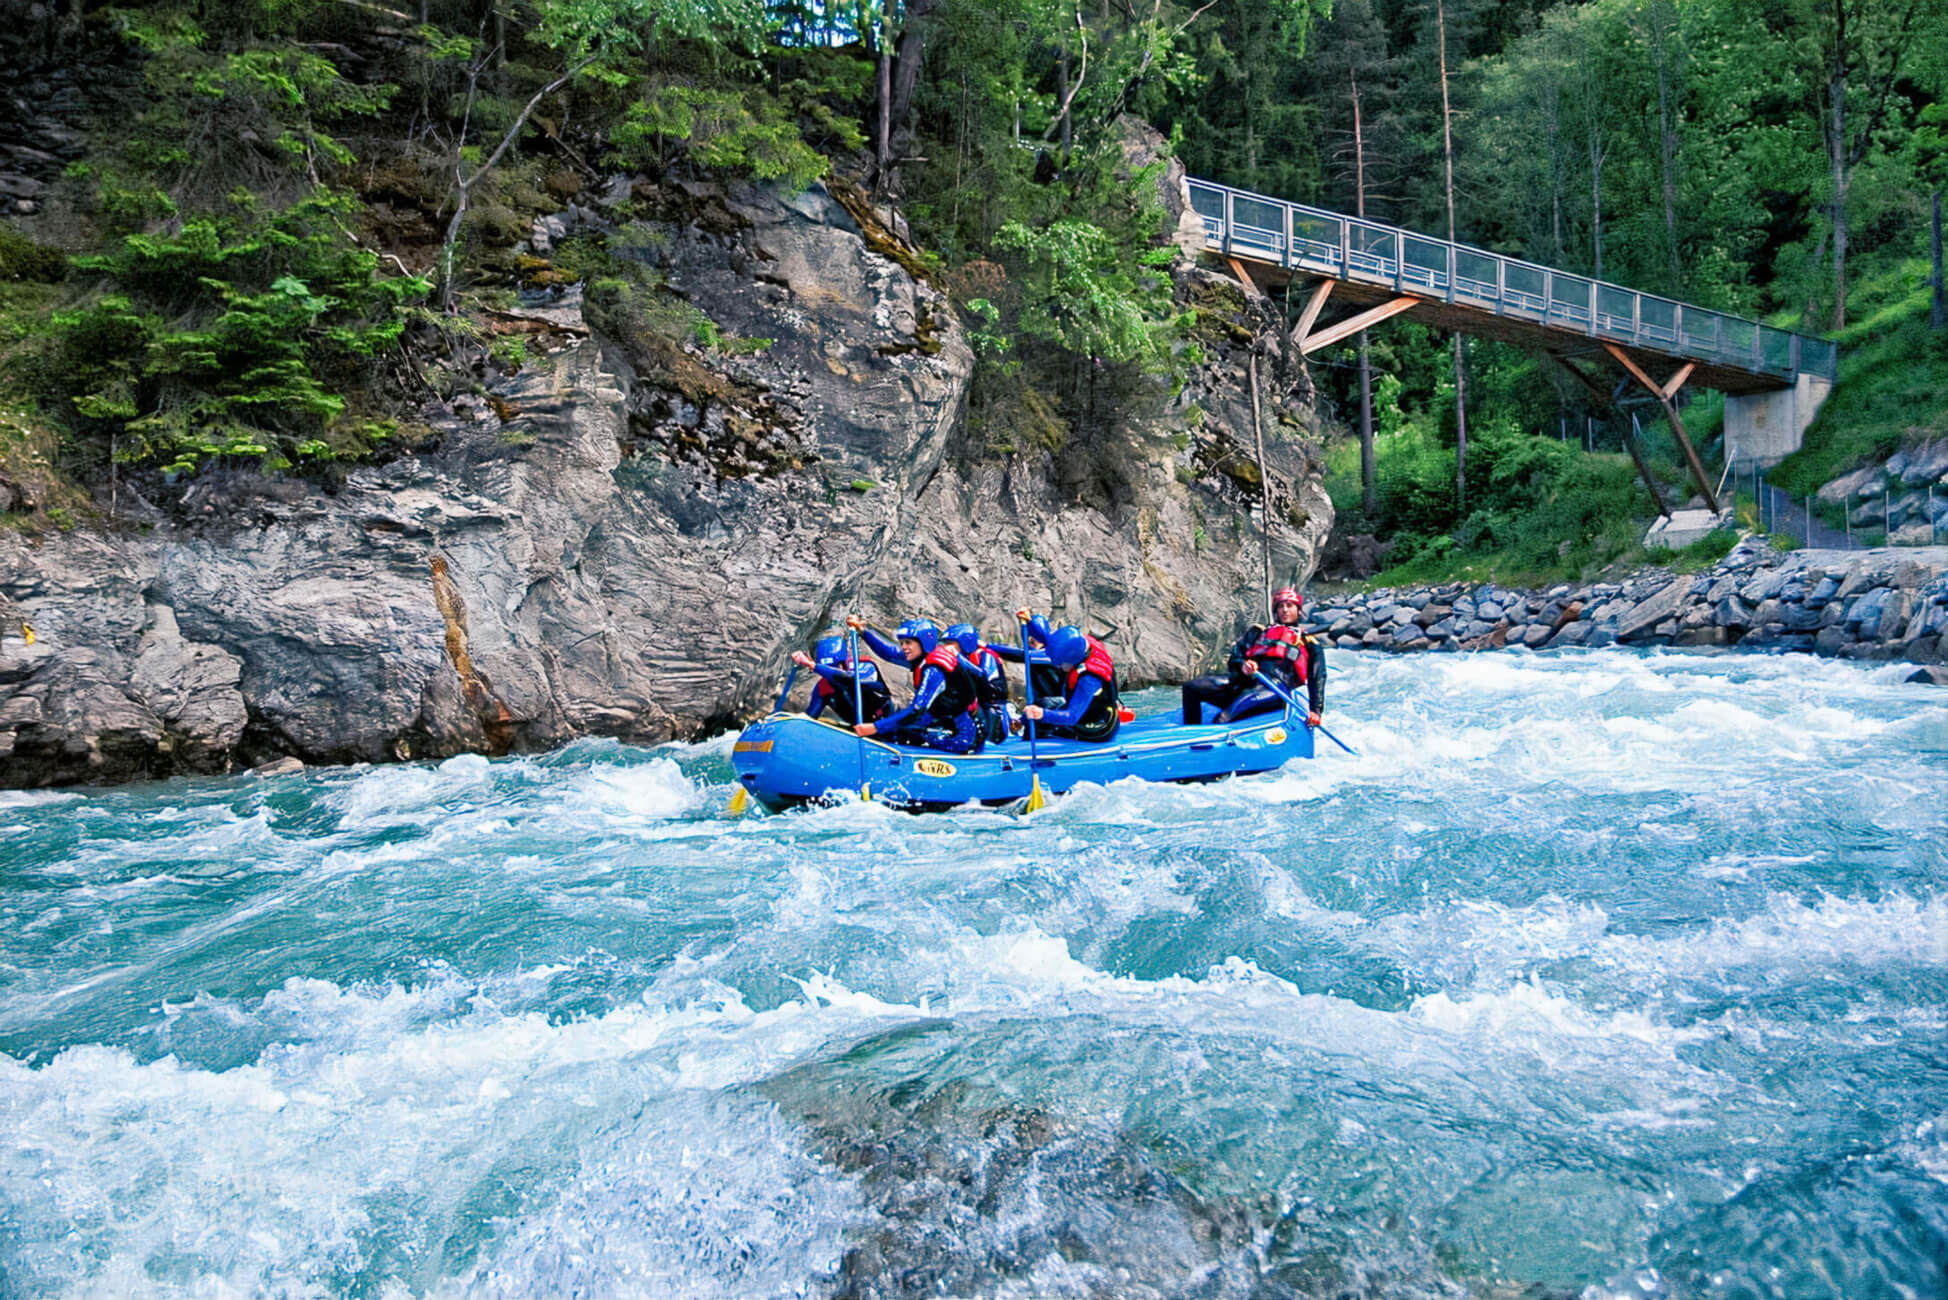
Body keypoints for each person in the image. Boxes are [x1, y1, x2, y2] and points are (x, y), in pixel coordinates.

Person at [1181, 587, 1325, 727]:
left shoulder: (1309, 642)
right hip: (1244, 683)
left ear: (1298, 610)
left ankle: (1210, 742)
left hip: (1273, 689)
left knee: (1224, 717)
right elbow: (1235, 658)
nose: (1285, 610)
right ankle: (1189, 733)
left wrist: (1316, 710)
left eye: (1289, 606)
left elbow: (1317, 676)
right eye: (1281, 606)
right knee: (1191, 687)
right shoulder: (1257, 632)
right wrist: (1243, 666)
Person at [847, 616, 985, 754]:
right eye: (902, 643)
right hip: (939, 721)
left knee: (899, 733)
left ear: (923, 643)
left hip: (959, 736)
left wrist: (875, 727)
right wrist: (863, 631)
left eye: (908, 643)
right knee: (895, 729)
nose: (904, 647)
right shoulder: (920, 655)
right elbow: (888, 652)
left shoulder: (934, 671)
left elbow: (916, 710)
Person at [1012, 608, 1120, 742]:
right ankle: (1021, 723)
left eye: (1060, 664)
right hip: (1082, 711)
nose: (1058, 667)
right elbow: (1047, 639)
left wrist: (1041, 714)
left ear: (1072, 659)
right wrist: (1030, 622)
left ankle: (1035, 750)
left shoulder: (1089, 679)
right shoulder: (1080, 643)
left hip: (1096, 726)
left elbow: (1071, 716)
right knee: (1045, 702)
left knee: (1043, 720)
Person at [792, 635, 891, 725]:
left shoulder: (865, 666)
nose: (827, 673)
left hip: (890, 720)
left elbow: (847, 678)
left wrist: (812, 665)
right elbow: (810, 718)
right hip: (864, 730)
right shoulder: (823, 687)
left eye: (835, 667)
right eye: (826, 668)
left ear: (843, 663)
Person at [947, 622, 1013, 745]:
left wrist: (958, 658)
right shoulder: (965, 659)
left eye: (951, 644)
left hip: (993, 708)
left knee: (989, 741)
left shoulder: (986, 656)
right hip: (976, 705)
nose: (948, 648)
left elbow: (984, 679)